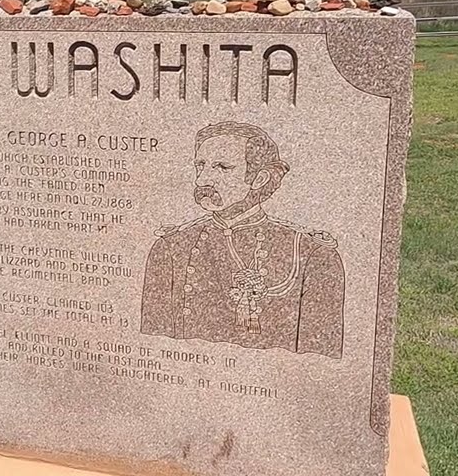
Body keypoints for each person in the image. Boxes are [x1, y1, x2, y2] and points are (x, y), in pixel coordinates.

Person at [140, 122, 343, 358]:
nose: (202, 180)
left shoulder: (313, 254)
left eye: (222, 167)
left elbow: (320, 363)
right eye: (200, 166)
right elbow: (154, 349)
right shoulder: (171, 248)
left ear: (259, 178)